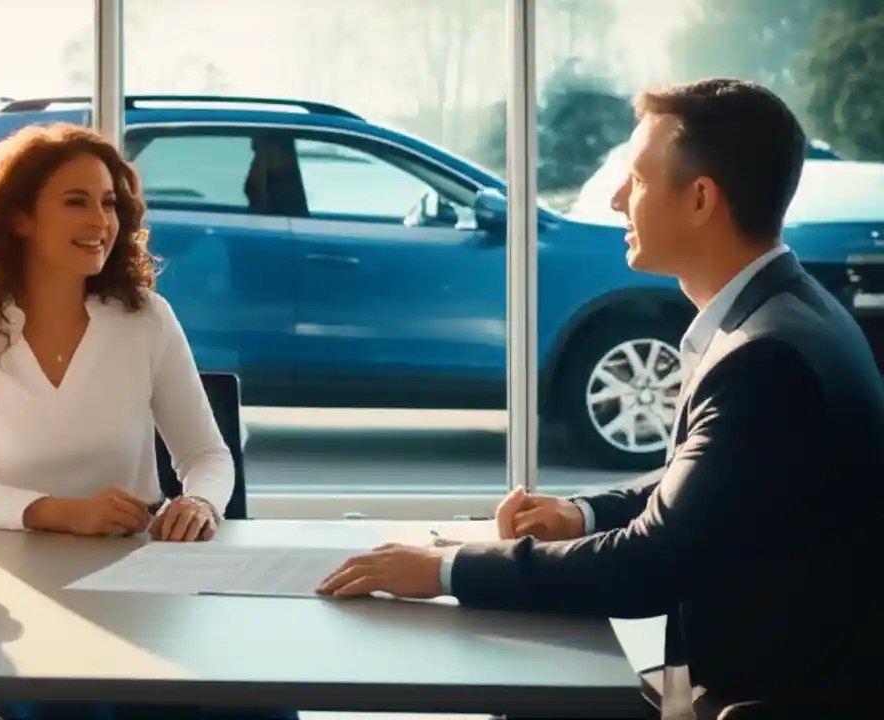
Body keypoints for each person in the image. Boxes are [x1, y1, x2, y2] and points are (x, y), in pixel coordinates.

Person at [317, 79, 880, 718]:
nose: (616, 200)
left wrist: (446, 571)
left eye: (636, 181)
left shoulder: (765, 356)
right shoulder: (791, 312)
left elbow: (650, 564)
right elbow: (705, 482)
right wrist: (581, 515)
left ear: (700, 199)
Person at [0, 124, 293, 720]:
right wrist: (59, 512)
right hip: (17, 590)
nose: (102, 220)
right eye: (76, 202)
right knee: (74, 708)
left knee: (259, 709)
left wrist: (200, 503)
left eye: (110, 203)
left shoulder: (144, 317)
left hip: (139, 580)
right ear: (18, 218)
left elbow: (208, 456)